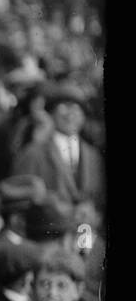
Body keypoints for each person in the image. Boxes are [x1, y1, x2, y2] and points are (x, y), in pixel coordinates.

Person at [11, 83, 104, 214]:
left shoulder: (93, 155)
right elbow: (18, 195)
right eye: (65, 106)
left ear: (84, 116)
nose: (71, 113)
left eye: (78, 108)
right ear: (52, 112)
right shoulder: (33, 152)